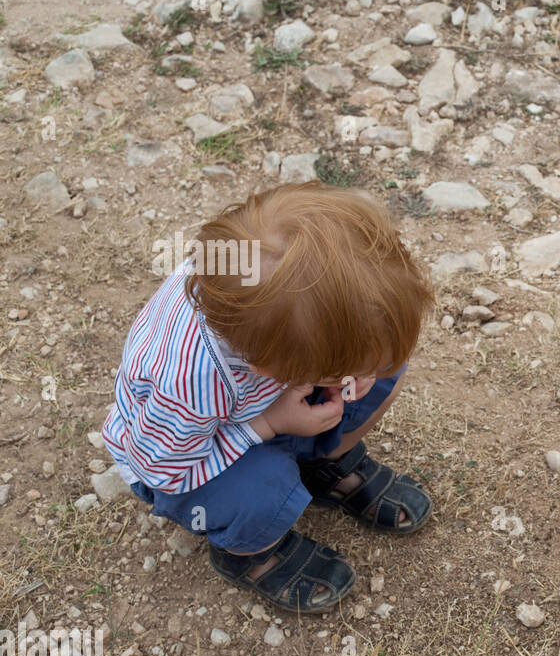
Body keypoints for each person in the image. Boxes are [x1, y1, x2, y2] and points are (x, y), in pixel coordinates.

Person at [103, 182, 436, 613]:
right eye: (345, 369)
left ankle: (323, 465)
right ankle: (249, 553)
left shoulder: (254, 285)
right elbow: (163, 471)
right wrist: (268, 425)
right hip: (183, 456)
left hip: (268, 395)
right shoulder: (189, 384)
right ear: (268, 368)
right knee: (265, 486)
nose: (362, 376)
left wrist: (360, 374)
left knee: (388, 376)